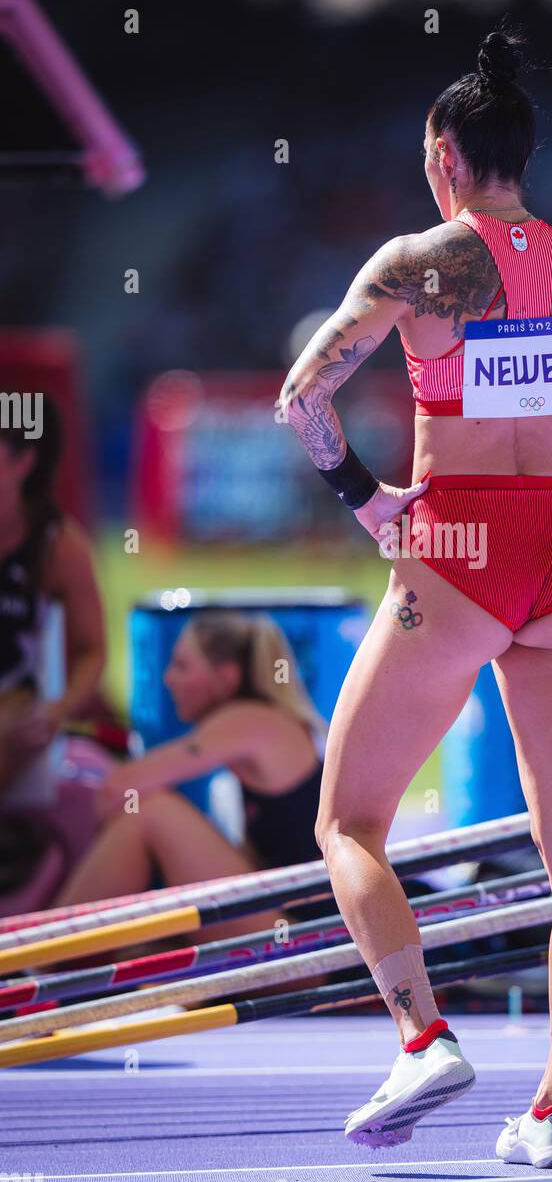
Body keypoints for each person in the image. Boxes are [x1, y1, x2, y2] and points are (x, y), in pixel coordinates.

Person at [279, 25, 552, 1168]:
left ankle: (421, 1034)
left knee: (347, 820)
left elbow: (299, 399)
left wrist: (371, 505)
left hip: (457, 540)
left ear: (441, 158)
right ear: (523, 157)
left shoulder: (415, 263)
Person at [54, 611, 327, 943]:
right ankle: (70, 953)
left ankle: (48, 958)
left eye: (183, 666)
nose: (168, 679)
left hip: (305, 940)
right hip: (304, 929)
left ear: (226, 678)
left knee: (149, 811)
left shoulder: (248, 719)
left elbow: (119, 787)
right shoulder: (269, 722)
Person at [0, 394, 106, 889]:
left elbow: (92, 650)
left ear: (23, 462)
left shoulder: (56, 543)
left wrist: (58, 708)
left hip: (14, 709)